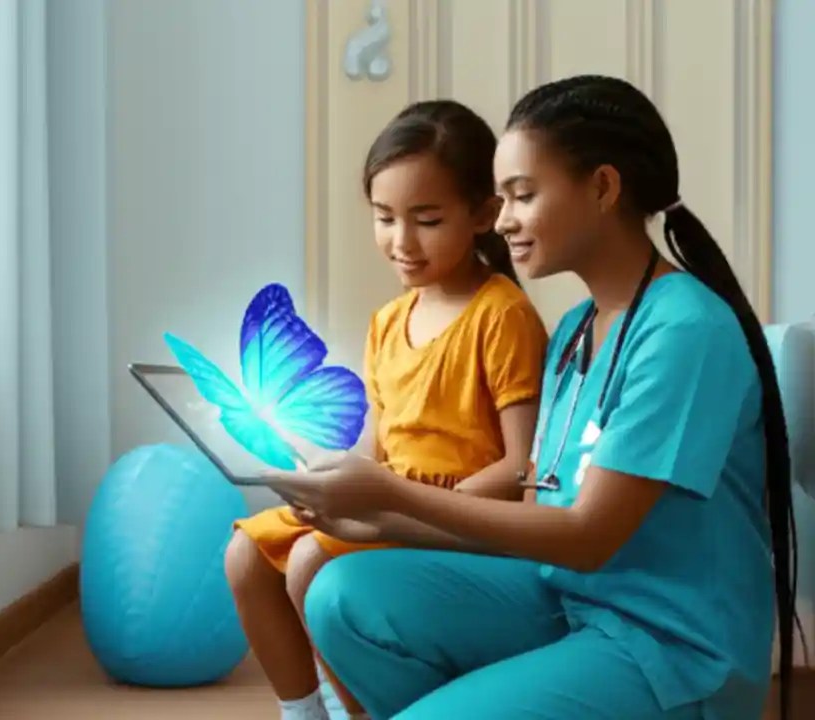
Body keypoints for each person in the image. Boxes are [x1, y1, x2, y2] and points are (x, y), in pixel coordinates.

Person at [270, 74, 800, 720]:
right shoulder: (576, 332)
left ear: (603, 188)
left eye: (523, 195)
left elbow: (586, 536)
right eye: (502, 198)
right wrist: (367, 520)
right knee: (340, 595)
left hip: (669, 652)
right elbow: (532, 518)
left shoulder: (685, 330)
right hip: (570, 605)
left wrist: (387, 494)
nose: (505, 219)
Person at [225, 100, 549, 720]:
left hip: (457, 519)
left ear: (484, 213)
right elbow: (377, 451)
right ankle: (304, 713)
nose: (401, 242)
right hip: (385, 504)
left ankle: (363, 710)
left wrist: (396, 504)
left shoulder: (500, 314)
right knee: (245, 554)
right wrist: (324, 483)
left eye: (426, 219)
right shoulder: (387, 322)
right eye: (384, 218)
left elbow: (522, 466)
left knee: (312, 561)